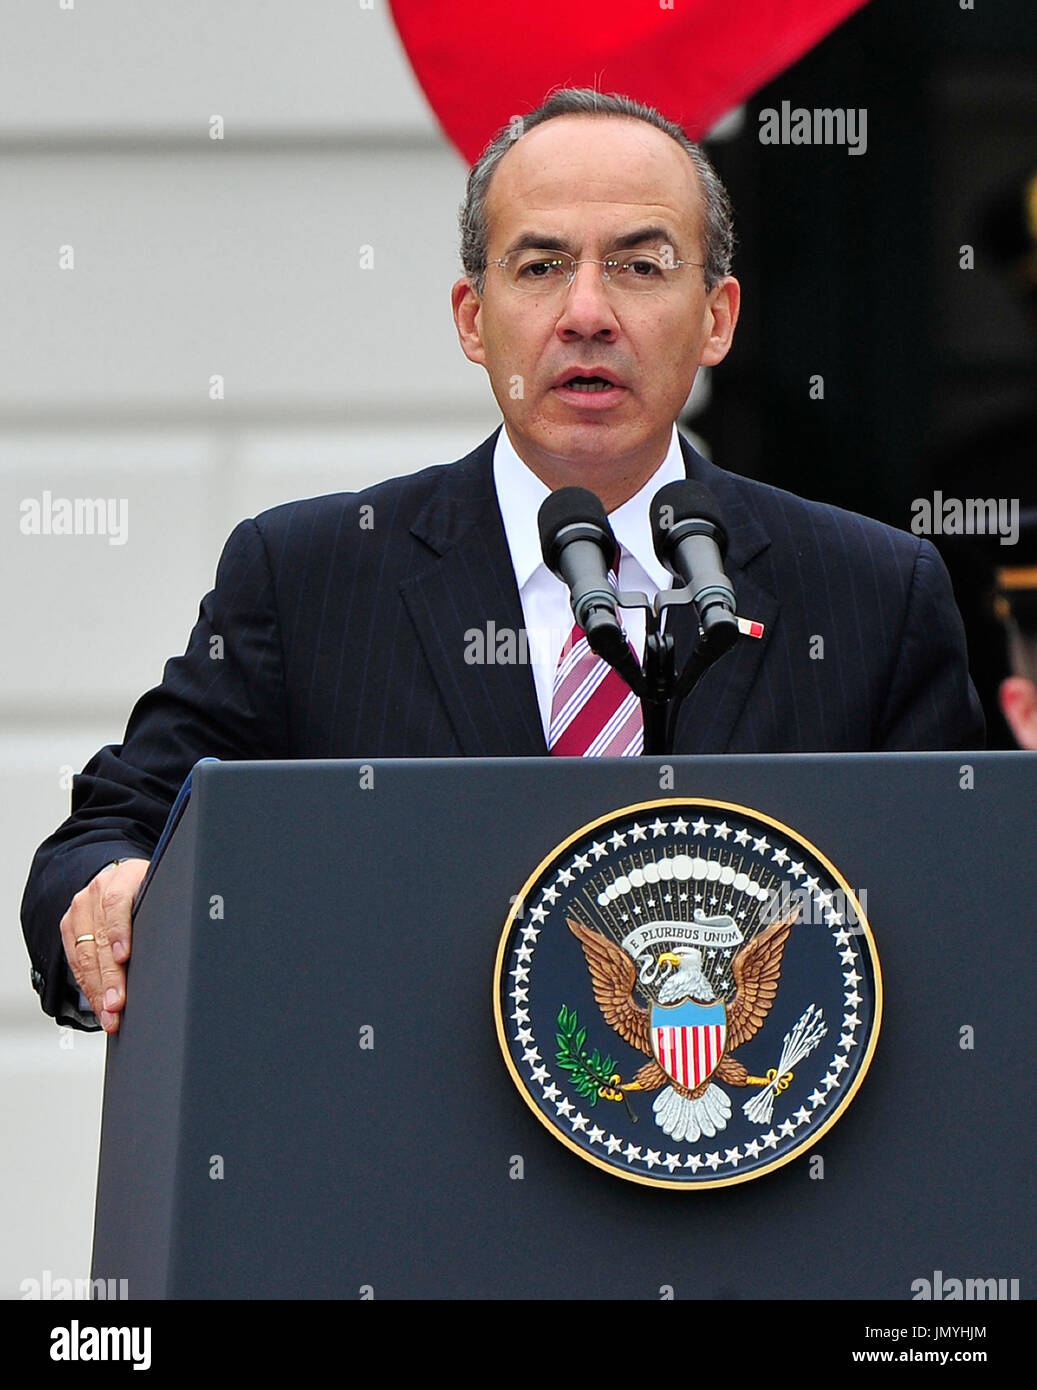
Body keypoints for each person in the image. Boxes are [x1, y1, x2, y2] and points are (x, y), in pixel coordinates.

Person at [21, 88, 983, 1036]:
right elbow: (111, 834)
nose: (587, 313)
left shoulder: (869, 593)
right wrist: (111, 893)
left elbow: (963, 923)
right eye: (541, 266)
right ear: (473, 319)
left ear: (718, 317)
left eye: (641, 266)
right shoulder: (311, 577)